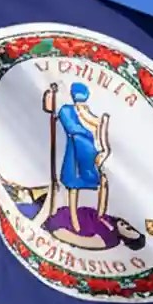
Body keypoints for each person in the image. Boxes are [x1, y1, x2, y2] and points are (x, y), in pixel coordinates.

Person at [57, 82, 109, 232]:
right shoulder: (66, 110)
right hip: (74, 153)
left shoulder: (86, 111)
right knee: (73, 186)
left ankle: (100, 216)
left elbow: (98, 125)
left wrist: (99, 123)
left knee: (102, 182)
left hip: (91, 153)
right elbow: (72, 127)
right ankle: (74, 220)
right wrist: (88, 124)